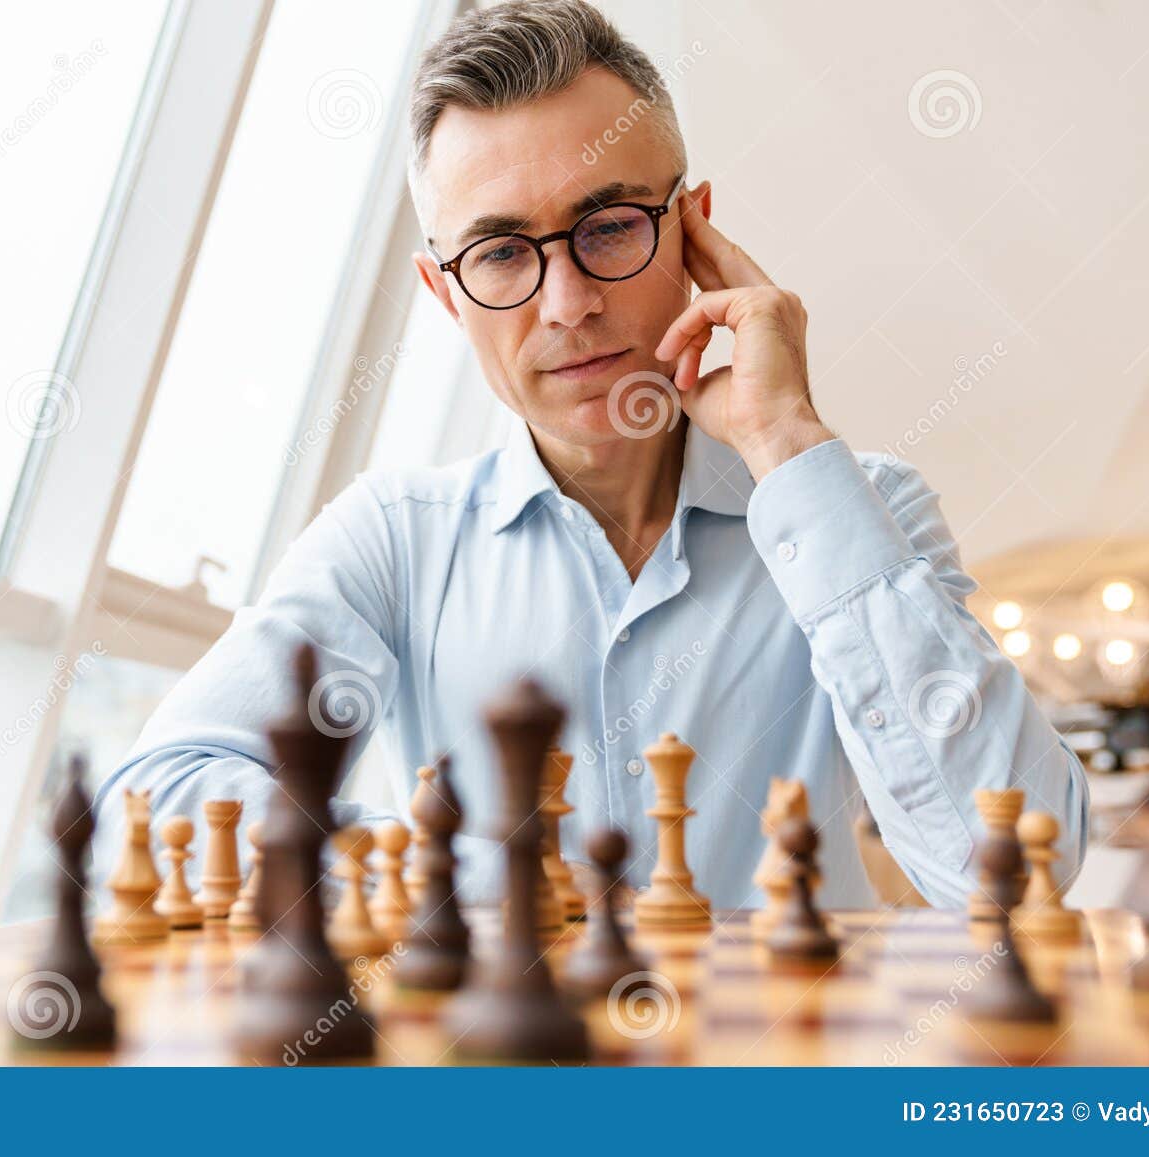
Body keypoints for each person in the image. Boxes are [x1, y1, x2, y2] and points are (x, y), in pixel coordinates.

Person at [94, 0, 1088, 909]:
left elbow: (1008, 870)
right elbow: (154, 801)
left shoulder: (862, 511)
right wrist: (469, 873)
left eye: (609, 227)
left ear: (692, 230)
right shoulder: (393, 541)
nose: (568, 304)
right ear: (444, 294)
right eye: (499, 253)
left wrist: (788, 445)